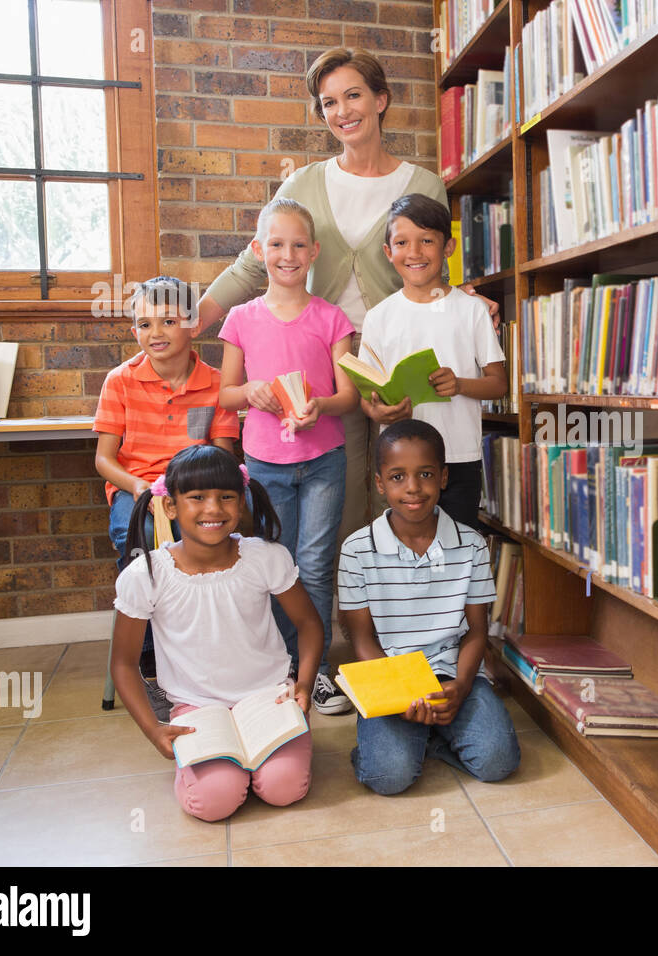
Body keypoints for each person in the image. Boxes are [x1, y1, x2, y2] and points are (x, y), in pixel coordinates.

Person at [197, 47, 498, 547]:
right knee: (341, 498)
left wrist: (467, 297)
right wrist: (195, 318)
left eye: (353, 96)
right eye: (329, 102)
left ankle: (394, 611)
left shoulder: (423, 183)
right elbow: (254, 263)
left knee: (399, 486)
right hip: (327, 358)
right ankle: (345, 611)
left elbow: (434, 258)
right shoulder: (303, 182)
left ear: (380, 100)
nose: (342, 112)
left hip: (398, 353)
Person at [110, 445, 323, 823]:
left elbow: (308, 624)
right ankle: (219, 768)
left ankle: (271, 753)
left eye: (226, 497)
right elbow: (124, 664)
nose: (213, 509)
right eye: (197, 498)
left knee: (284, 788)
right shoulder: (146, 575)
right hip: (198, 709)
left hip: (268, 698)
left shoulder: (264, 556)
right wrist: (153, 730)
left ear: (241, 503)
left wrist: (304, 684)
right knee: (213, 802)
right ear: (171, 507)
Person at [218, 197, 359, 715]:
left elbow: (350, 399)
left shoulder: (331, 318)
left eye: (299, 245)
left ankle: (314, 671)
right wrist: (252, 390)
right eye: (276, 244)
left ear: (315, 252)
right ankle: (278, 668)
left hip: (324, 460)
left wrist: (319, 404)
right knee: (275, 563)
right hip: (263, 463)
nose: (288, 254)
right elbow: (225, 394)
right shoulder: (241, 318)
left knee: (317, 565)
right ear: (259, 250)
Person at [338, 420, 520, 795]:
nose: (413, 488)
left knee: (499, 762)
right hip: (391, 679)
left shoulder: (470, 545)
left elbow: (477, 631)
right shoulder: (357, 549)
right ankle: (417, 738)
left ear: (443, 478)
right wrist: (399, 697)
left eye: (424, 474)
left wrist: (463, 685)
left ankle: (432, 735)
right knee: (389, 777)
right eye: (397, 476)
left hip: (455, 674)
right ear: (379, 483)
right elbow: (361, 638)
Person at [93, 276, 239, 721]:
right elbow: (104, 459)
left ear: (193, 323)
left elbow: (223, 455)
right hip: (137, 488)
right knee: (134, 537)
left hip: (194, 488)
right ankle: (152, 664)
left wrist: (186, 491)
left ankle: (208, 653)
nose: (154, 332)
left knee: (202, 534)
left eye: (168, 320)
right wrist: (138, 486)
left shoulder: (216, 384)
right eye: (143, 323)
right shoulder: (120, 381)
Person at [359, 193, 507, 530]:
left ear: (448, 247)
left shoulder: (472, 311)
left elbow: (498, 384)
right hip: (400, 460)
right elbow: (368, 397)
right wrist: (378, 412)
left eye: (427, 240)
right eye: (402, 242)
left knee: (459, 551)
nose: (414, 252)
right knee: (406, 552)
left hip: (457, 457)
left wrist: (459, 384)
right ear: (388, 252)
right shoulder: (379, 317)